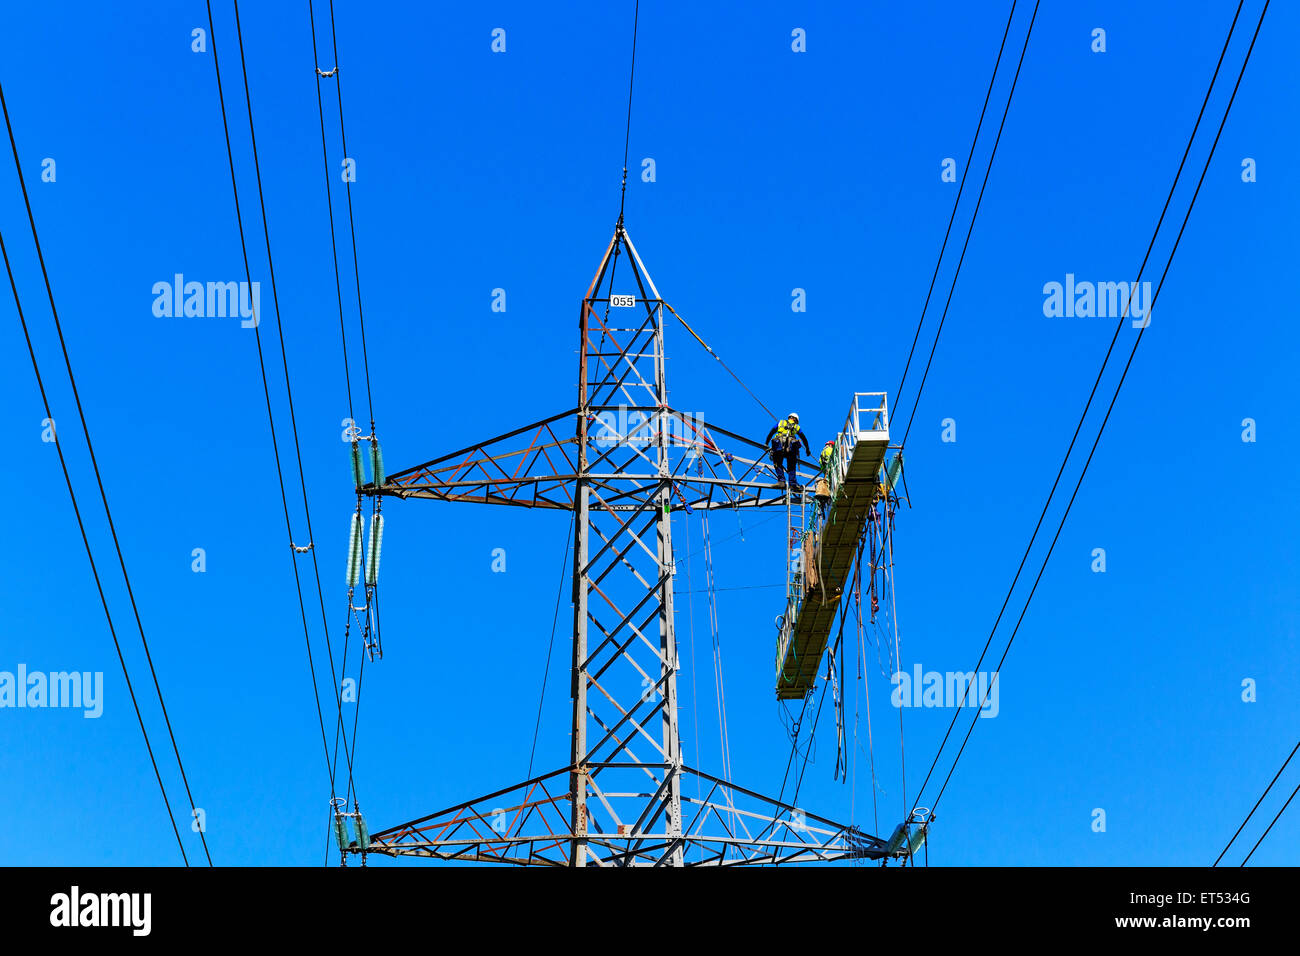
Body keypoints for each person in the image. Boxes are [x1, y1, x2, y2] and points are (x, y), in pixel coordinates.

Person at [765, 412, 810, 489]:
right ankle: (793, 484)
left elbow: (771, 432)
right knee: (792, 466)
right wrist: (807, 449)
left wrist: (766, 443)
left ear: (789, 417)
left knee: (777, 463)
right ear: (796, 420)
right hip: (791, 448)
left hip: (779, 446)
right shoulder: (797, 427)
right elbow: (804, 438)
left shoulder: (781, 422)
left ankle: (781, 481)